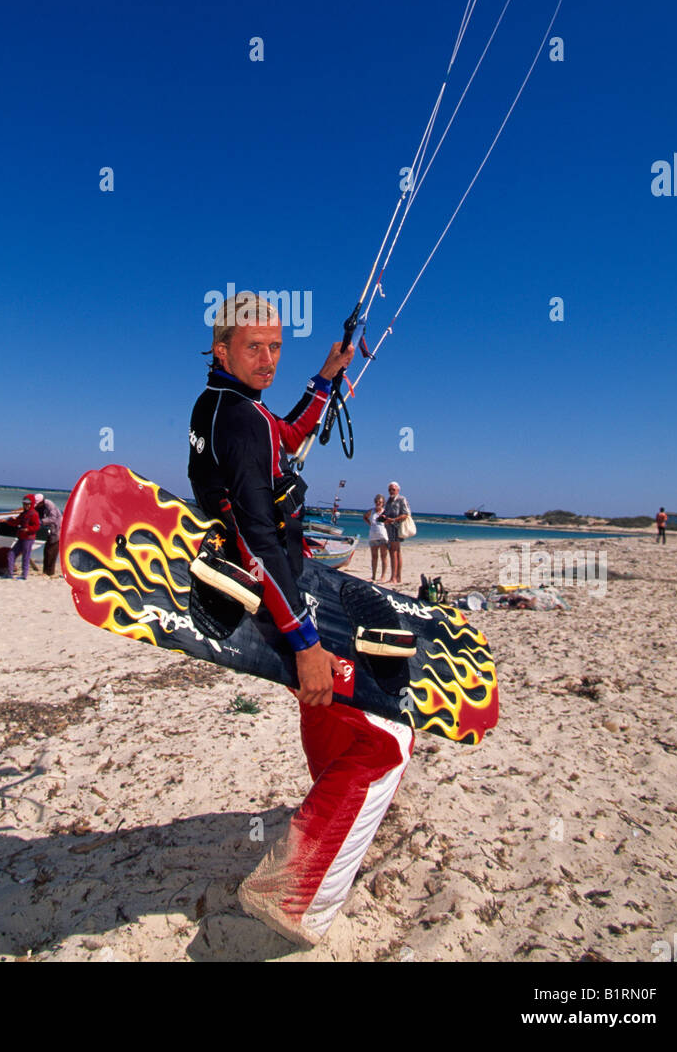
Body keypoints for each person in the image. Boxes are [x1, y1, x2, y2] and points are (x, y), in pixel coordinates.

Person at [188, 291, 413, 946]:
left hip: (276, 593)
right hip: (276, 600)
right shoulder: (237, 419)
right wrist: (305, 640)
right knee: (385, 741)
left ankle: (324, 814)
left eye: (276, 348)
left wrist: (324, 379)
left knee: (327, 708)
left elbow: (282, 438)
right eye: (253, 348)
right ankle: (294, 894)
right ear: (222, 349)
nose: (267, 360)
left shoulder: (222, 407)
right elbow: (258, 537)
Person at [383, 481, 413, 584]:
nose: (391, 491)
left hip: (397, 528)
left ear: (398, 490)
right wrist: (383, 518)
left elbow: (406, 514)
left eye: (393, 489)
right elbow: (386, 513)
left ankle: (394, 578)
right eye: (390, 490)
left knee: (394, 551)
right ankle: (398, 577)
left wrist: (394, 520)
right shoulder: (388, 501)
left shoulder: (401, 499)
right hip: (389, 528)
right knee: (396, 551)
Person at [5, 494, 40, 580]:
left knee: (26, 556)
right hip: (21, 538)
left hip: (28, 538)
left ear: (31, 504)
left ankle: (24, 575)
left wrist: (28, 529)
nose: (26, 505)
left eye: (28, 504)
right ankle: (10, 573)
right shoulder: (23, 513)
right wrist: (6, 521)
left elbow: (37, 526)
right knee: (11, 554)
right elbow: (16, 522)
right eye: (24, 504)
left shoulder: (34, 514)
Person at [33, 493, 62, 575]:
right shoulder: (39, 507)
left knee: (51, 550)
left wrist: (41, 521)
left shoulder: (49, 504)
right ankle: (46, 571)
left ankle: (49, 572)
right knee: (46, 551)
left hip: (57, 529)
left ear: (42, 502)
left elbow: (53, 518)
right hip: (49, 530)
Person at [364, 493, 390, 582]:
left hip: (383, 536)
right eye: (377, 502)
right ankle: (373, 576)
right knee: (374, 557)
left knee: (384, 556)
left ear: (383, 503)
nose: (378, 503)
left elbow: (389, 522)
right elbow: (365, 517)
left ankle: (383, 576)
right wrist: (370, 524)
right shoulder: (371, 511)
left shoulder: (385, 512)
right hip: (373, 537)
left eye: (380, 502)